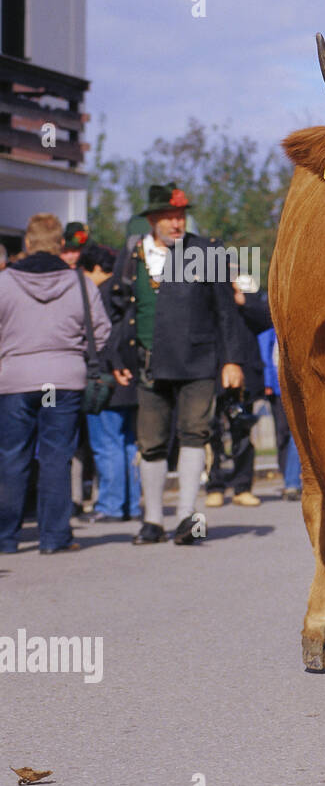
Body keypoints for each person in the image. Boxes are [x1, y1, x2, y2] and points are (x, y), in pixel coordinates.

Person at [105, 183, 245, 546]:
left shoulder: (205, 251)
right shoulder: (131, 254)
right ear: (152, 220)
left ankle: (185, 516)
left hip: (198, 360)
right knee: (150, 442)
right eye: (168, 217)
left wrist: (232, 360)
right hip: (148, 362)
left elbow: (226, 312)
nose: (175, 223)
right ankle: (152, 520)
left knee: (194, 433)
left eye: (180, 216)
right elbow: (119, 312)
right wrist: (117, 357)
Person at [0, 213, 111, 553]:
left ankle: (5, 538)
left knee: (12, 456)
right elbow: (102, 332)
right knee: (55, 455)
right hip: (59, 385)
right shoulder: (80, 283)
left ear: (28, 244)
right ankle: (54, 537)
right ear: (61, 245)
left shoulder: (4, 283)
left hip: (16, 383)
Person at [79, 244, 140, 523]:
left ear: (93, 268)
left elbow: (103, 337)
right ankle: (132, 504)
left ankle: (111, 506)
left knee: (106, 444)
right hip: (134, 376)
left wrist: (112, 365)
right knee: (129, 443)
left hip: (108, 374)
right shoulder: (129, 291)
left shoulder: (97, 294)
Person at [206, 276, 270, 508]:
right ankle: (215, 486)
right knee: (211, 432)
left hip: (245, 374)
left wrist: (242, 300)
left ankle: (243, 487)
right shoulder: (207, 293)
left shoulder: (246, 291)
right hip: (213, 372)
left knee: (242, 430)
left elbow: (267, 319)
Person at [258, 326, 301, 500]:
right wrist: (268, 383)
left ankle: (292, 481)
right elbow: (265, 356)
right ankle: (289, 478)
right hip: (278, 387)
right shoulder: (270, 325)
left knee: (295, 433)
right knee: (283, 433)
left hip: (298, 384)